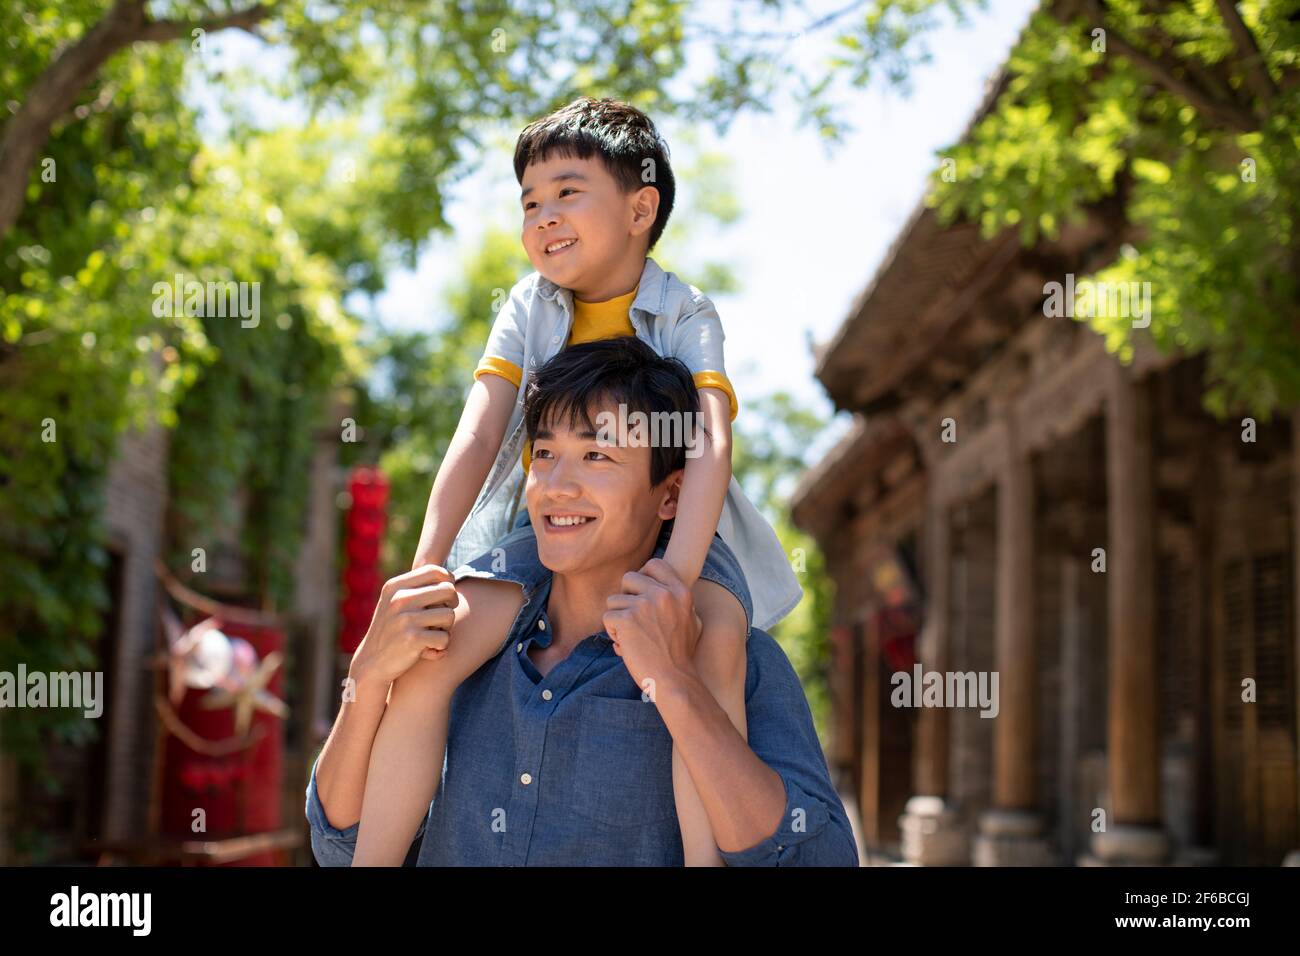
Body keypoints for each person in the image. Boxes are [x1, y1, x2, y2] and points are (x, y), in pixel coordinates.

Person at [402, 95, 800, 863]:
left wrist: (675, 580)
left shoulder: (684, 311)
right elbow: (481, 429)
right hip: (553, 523)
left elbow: (709, 442)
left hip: (676, 520)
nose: (543, 216)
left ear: (641, 206)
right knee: (433, 643)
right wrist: (429, 558)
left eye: (566, 193)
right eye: (529, 203)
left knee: (711, 647)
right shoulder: (527, 305)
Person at [306, 338, 857, 866]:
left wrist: (677, 685)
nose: (556, 485)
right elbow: (340, 849)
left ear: (671, 495)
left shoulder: (734, 659)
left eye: (596, 454)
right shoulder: (458, 646)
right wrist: (369, 678)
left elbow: (820, 857)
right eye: (544, 452)